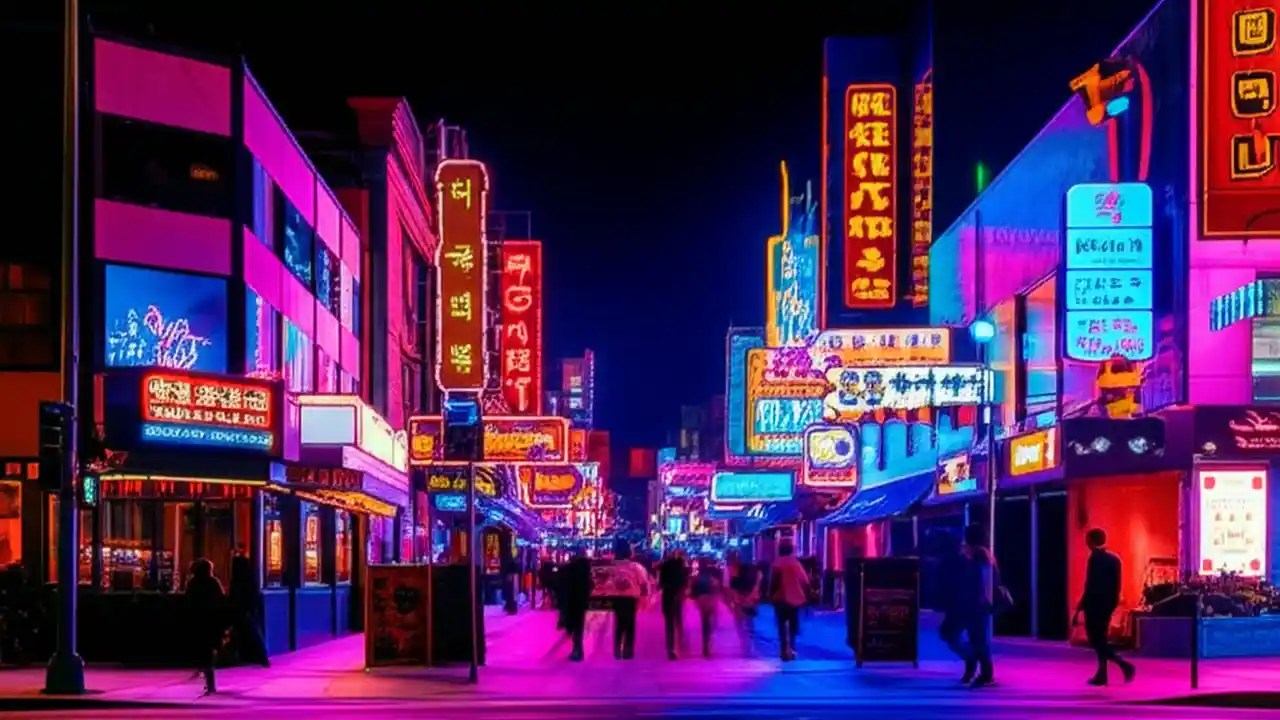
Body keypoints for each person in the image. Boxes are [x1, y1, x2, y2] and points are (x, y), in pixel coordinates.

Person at [1074, 528, 1135, 686]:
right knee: (1101, 638)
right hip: (1107, 605)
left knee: (1096, 640)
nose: (1086, 542)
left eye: (1088, 539)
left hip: (1094, 606)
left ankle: (1123, 664)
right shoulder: (1114, 559)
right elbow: (1116, 586)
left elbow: (1091, 585)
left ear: (1092, 541)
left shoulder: (1094, 558)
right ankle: (1102, 673)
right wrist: (1112, 604)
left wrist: (1082, 605)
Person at [955, 524, 996, 688]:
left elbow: (982, 577)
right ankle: (981, 671)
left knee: (978, 637)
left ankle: (985, 673)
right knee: (977, 637)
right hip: (978, 602)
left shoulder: (979, 553)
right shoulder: (983, 553)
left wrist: (983, 598)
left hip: (977, 602)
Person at [185, 558, 228, 695]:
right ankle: (210, 682)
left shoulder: (193, 583)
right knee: (209, 652)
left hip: (198, 621)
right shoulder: (213, 582)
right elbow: (221, 600)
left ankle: (205, 675)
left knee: (202, 651)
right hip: (212, 621)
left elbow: (188, 601)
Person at [769, 541, 809, 661]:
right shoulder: (796, 563)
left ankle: (783, 650)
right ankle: (791, 648)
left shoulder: (777, 563)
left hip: (780, 599)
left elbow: (774, 581)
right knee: (793, 626)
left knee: (781, 625)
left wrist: (770, 594)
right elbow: (805, 581)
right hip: (795, 599)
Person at [610, 543, 651, 659]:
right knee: (630, 626)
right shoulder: (636, 567)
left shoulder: (614, 567)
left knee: (619, 625)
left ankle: (617, 650)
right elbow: (643, 583)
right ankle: (628, 651)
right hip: (630, 599)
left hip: (617, 598)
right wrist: (644, 597)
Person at [228, 553, 269, 667]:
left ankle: (257, 657)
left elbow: (238, 595)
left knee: (250, 632)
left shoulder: (239, 580)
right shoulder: (250, 578)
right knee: (251, 632)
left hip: (244, 610)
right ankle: (257, 657)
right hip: (247, 610)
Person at [727, 552, 761, 656]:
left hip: (741, 600)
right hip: (750, 600)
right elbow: (758, 580)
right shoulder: (752, 569)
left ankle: (746, 645)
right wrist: (753, 594)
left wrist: (736, 598)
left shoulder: (736, 571)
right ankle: (750, 646)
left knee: (740, 623)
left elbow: (733, 586)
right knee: (749, 623)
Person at [657, 550, 690, 660]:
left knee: (669, 623)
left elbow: (660, 583)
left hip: (667, 596)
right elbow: (684, 581)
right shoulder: (681, 567)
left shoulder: (664, 566)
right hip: (677, 596)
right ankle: (680, 642)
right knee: (678, 619)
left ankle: (670, 648)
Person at [561, 551, 592, 661]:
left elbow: (563, 586)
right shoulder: (586, 572)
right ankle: (578, 649)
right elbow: (589, 587)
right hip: (581, 602)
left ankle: (576, 649)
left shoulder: (569, 570)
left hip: (571, 601)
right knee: (579, 626)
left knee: (573, 624)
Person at [689, 561, 723, 658]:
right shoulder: (712, 578)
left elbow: (693, 591)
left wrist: (695, 598)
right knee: (710, 623)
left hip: (702, 601)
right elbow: (717, 589)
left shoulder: (697, 577)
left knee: (705, 623)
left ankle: (705, 646)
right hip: (711, 600)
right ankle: (708, 645)